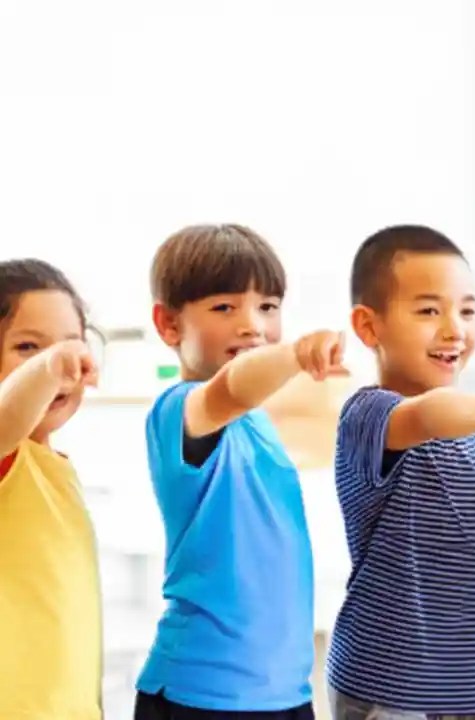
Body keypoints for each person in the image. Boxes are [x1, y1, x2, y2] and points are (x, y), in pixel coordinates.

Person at [136, 224, 345, 719]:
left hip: (284, 691)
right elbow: (233, 386)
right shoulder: (182, 408)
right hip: (203, 692)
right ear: (168, 325)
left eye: (268, 307)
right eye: (224, 307)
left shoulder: (257, 424)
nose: (253, 325)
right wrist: (293, 354)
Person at [328, 224, 475, 720]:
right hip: (387, 690)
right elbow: (423, 416)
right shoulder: (370, 416)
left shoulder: (471, 439)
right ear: (368, 327)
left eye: (467, 310)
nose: (454, 329)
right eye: (428, 310)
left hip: (469, 693)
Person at [0, 259, 102, 719]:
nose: (57, 366)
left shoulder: (54, 466)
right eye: (27, 347)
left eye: (70, 348)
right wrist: (48, 369)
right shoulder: (7, 453)